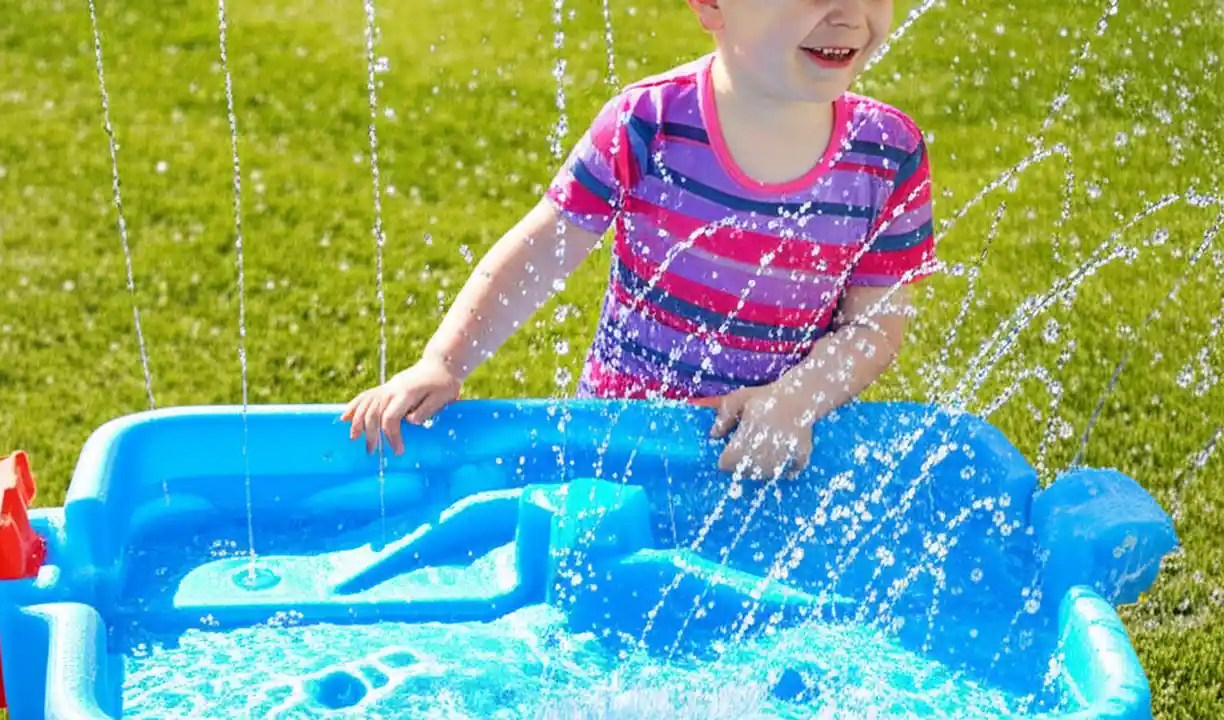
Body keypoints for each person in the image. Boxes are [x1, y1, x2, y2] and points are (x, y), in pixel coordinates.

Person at [342, 0, 937, 481]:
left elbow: (872, 327)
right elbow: (541, 250)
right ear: (710, 5)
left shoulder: (888, 156)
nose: (850, 15)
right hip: (620, 440)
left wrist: (797, 397)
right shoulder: (649, 123)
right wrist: (443, 364)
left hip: (769, 447)